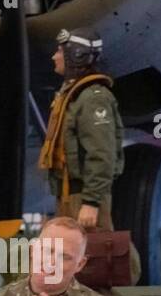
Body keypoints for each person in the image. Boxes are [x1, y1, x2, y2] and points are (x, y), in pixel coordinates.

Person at [38, 28, 141, 282]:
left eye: (60, 52)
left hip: (82, 195)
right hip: (68, 193)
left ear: (76, 56)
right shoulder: (74, 95)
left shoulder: (93, 99)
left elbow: (101, 153)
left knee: (99, 263)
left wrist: (92, 201)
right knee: (72, 264)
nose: (54, 57)